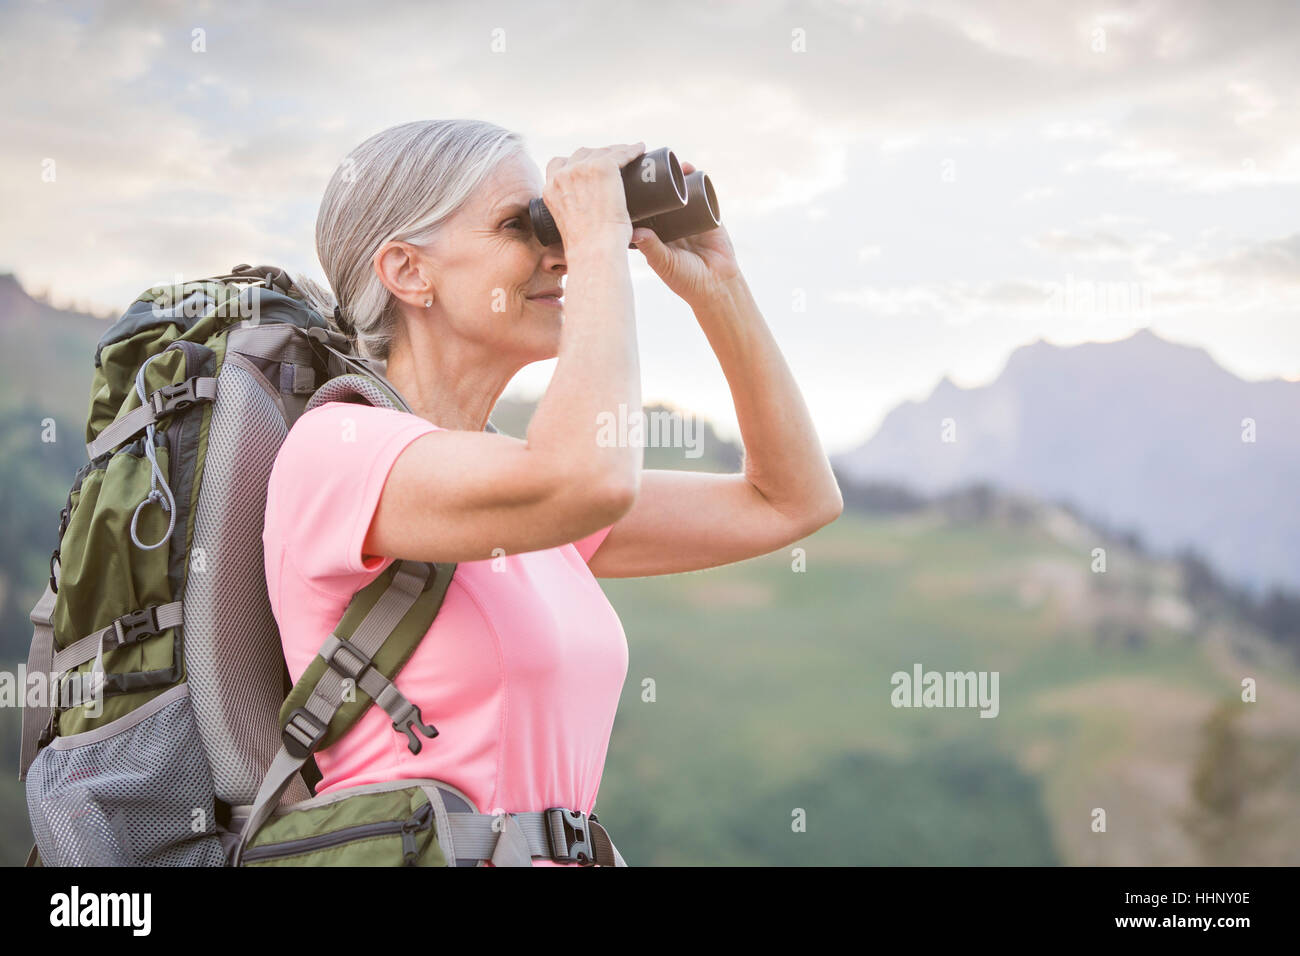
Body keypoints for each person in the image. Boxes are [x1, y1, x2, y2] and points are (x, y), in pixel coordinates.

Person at [264, 119, 843, 866]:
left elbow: (790, 500)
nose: (560, 252)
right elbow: (587, 478)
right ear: (409, 272)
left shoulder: (520, 487)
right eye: (524, 224)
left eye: (557, 223)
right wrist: (600, 241)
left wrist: (719, 289)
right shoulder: (339, 452)